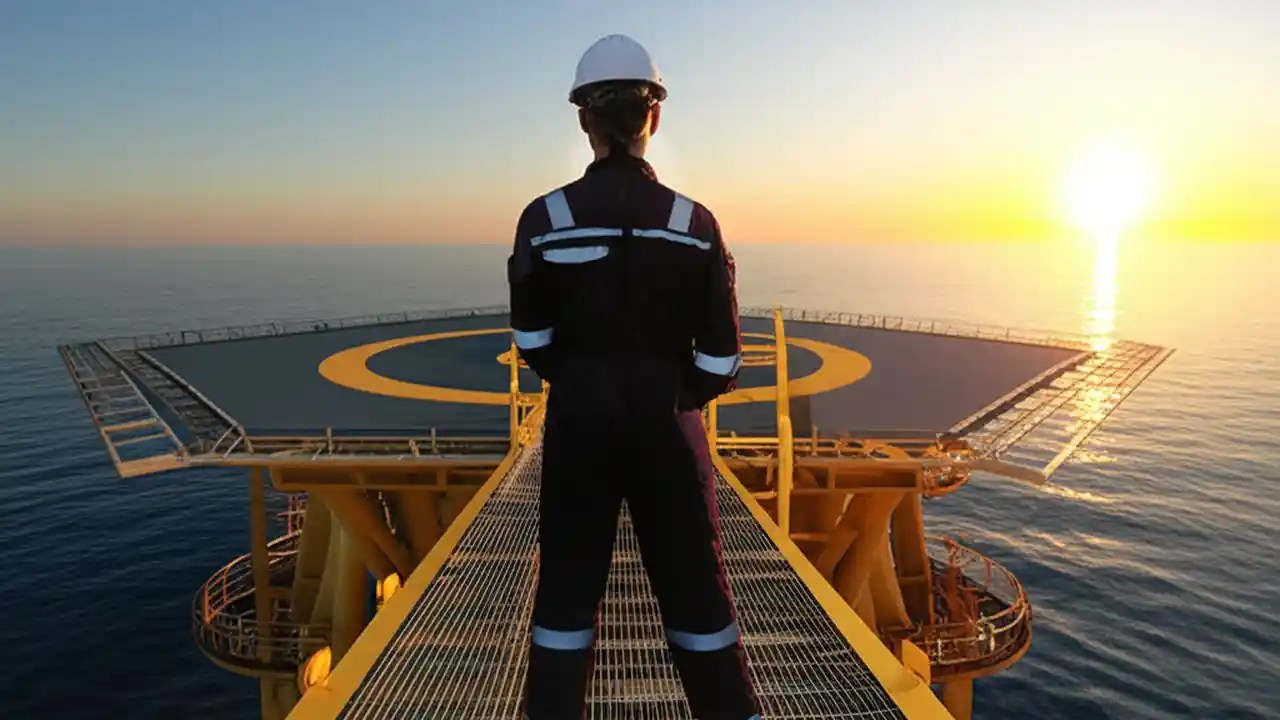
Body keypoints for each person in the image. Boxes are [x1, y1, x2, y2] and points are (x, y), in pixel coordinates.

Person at [508, 33, 761, 720]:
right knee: (699, 600)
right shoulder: (694, 223)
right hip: (670, 432)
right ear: (655, 116)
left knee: (564, 600)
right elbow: (722, 358)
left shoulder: (544, 218)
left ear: (584, 119)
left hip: (579, 429)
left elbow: (533, 342)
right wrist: (672, 395)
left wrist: (584, 383)